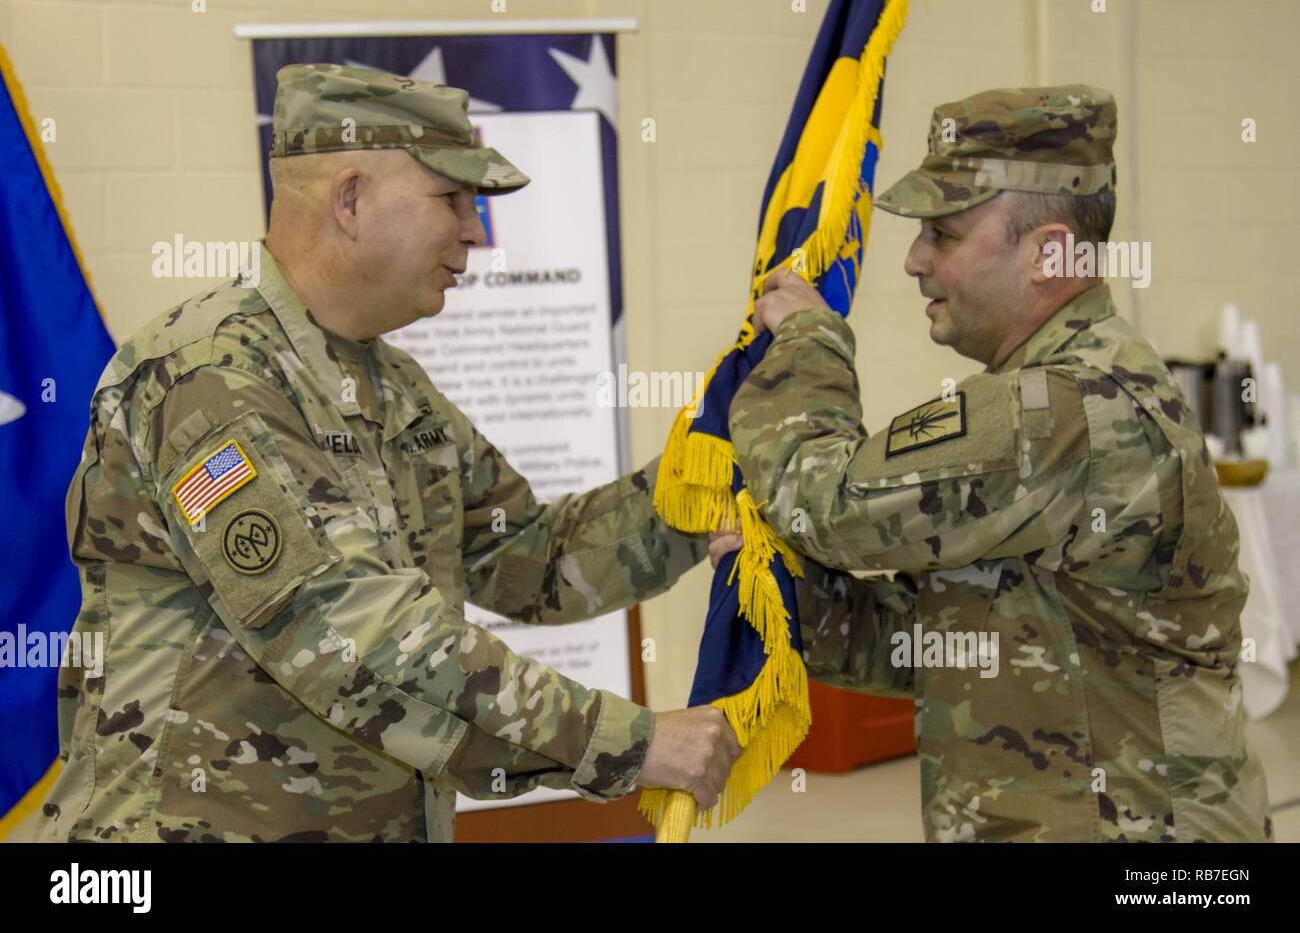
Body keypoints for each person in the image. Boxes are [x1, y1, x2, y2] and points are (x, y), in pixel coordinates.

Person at [38, 63, 738, 843]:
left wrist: (701, 488)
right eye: (452, 199)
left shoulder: (391, 386)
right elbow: (347, 634)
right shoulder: (209, 374)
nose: (475, 231)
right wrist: (629, 742)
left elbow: (534, 560)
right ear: (350, 198)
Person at [717, 85, 1271, 842]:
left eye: (942, 234)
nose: (914, 260)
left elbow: (828, 502)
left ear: (1047, 252)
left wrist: (808, 345)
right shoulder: (1046, 392)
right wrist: (785, 588)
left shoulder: (1064, 408)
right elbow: (947, 639)